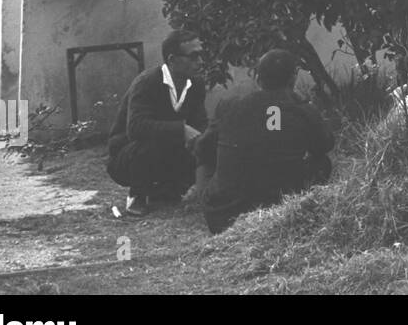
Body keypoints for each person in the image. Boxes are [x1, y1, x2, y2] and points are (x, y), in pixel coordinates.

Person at [194, 49, 335, 235]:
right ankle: (299, 205)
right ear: (293, 79)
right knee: (322, 161)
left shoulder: (229, 105)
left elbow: (203, 148)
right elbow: (324, 145)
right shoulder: (304, 110)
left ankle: (210, 199)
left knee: (204, 158)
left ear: (258, 78)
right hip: (281, 213)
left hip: (223, 218)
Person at [106, 29, 209, 217]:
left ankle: (166, 190)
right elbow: (135, 128)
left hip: (166, 149)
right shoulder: (146, 83)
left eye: (201, 55)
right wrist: (181, 130)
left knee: (202, 143)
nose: (200, 62)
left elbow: (200, 123)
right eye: (193, 56)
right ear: (172, 60)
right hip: (127, 154)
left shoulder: (196, 85)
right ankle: (137, 194)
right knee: (148, 145)